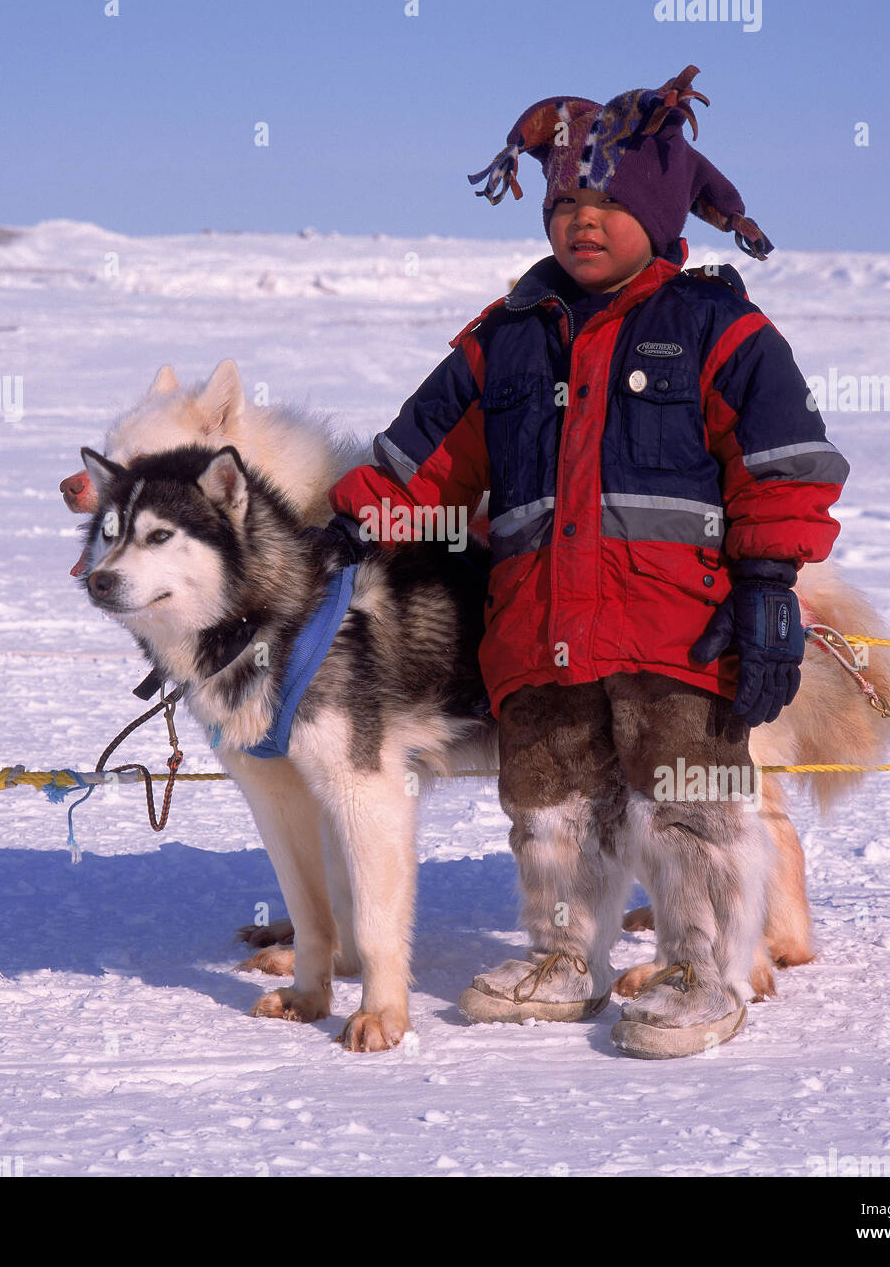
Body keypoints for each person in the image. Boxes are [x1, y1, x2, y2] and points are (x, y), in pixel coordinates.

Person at [323, 65, 849, 1057]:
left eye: (607, 202)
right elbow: (424, 457)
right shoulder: (504, 341)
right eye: (564, 201)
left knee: (689, 801)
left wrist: (771, 583)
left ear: (654, 211)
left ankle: (704, 972)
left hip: (677, 629)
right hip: (537, 629)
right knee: (548, 803)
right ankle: (565, 959)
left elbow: (784, 464)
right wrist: (354, 521)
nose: (581, 221)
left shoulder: (717, 329)